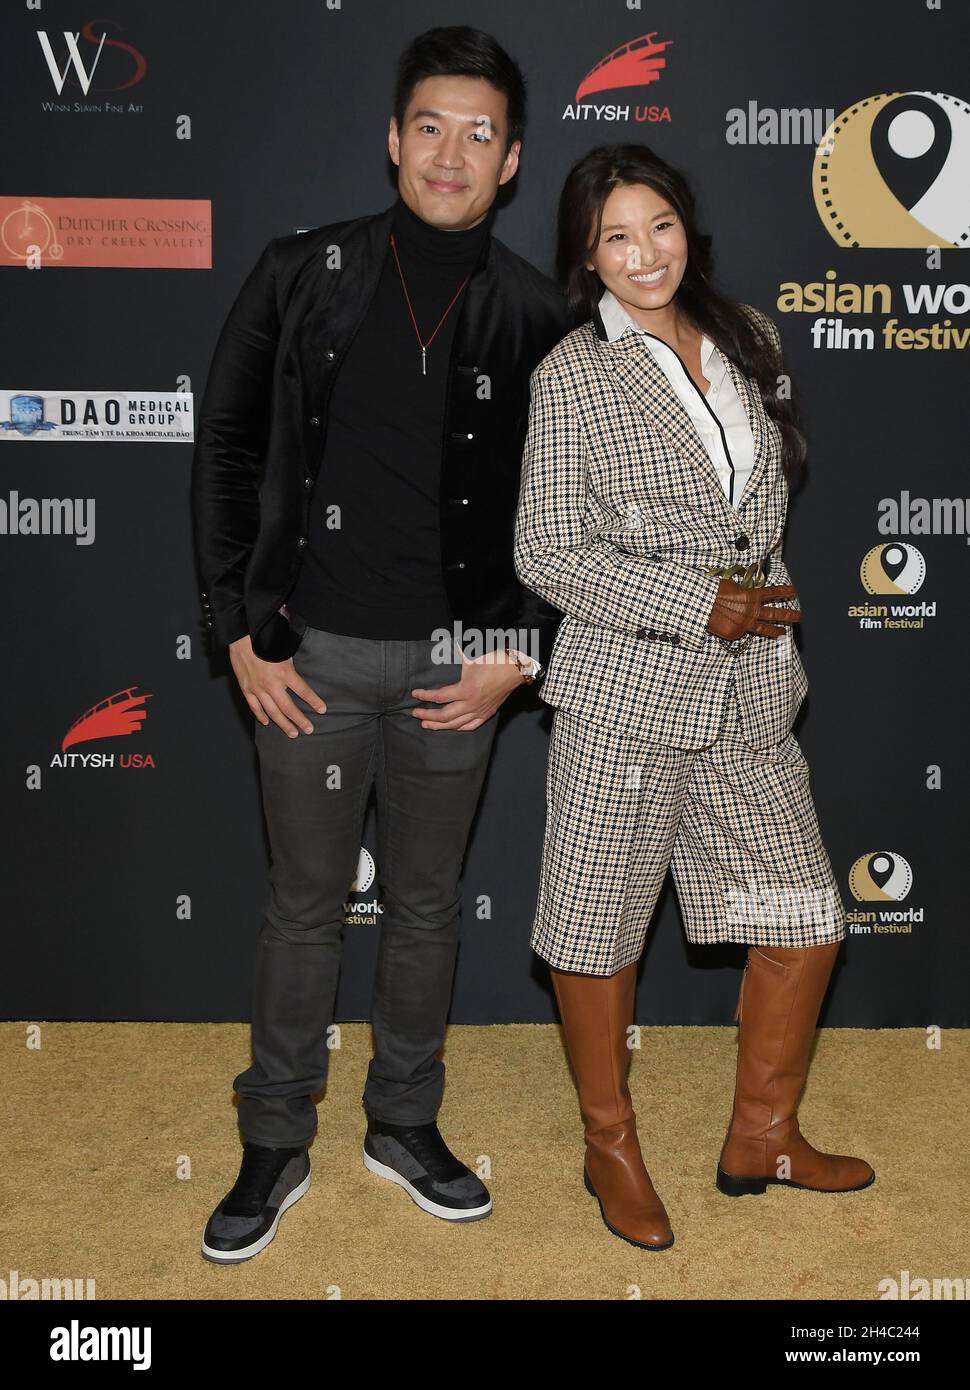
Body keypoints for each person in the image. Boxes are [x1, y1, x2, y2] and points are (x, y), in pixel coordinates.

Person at [191, 26, 568, 1263]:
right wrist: (239, 631)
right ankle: (275, 1138)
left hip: (460, 654)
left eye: (478, 135)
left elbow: (573, 510)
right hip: (313, 652)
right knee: (305, 907)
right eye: (429, 126)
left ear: (510, 160)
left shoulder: (538, 313)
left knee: (423, 906)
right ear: (392, 138)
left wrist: (520, 651)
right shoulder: (303, 271)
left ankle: (403, 1122)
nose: (450, 154)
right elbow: (229, 453)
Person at [513, 143, 874, 1252]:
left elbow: (744, 505)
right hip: (626, 689)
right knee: (596, 932)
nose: (642, 254)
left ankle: (761, 1132)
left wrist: (754, 579)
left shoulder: (744, 336)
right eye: (614, 236)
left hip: (754, 689)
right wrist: (693, 599)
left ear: (686, 227)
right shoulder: (571, 373)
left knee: (807, 919)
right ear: (586, 254)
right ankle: (608, 1145)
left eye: (657, 225)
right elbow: (544, 550)